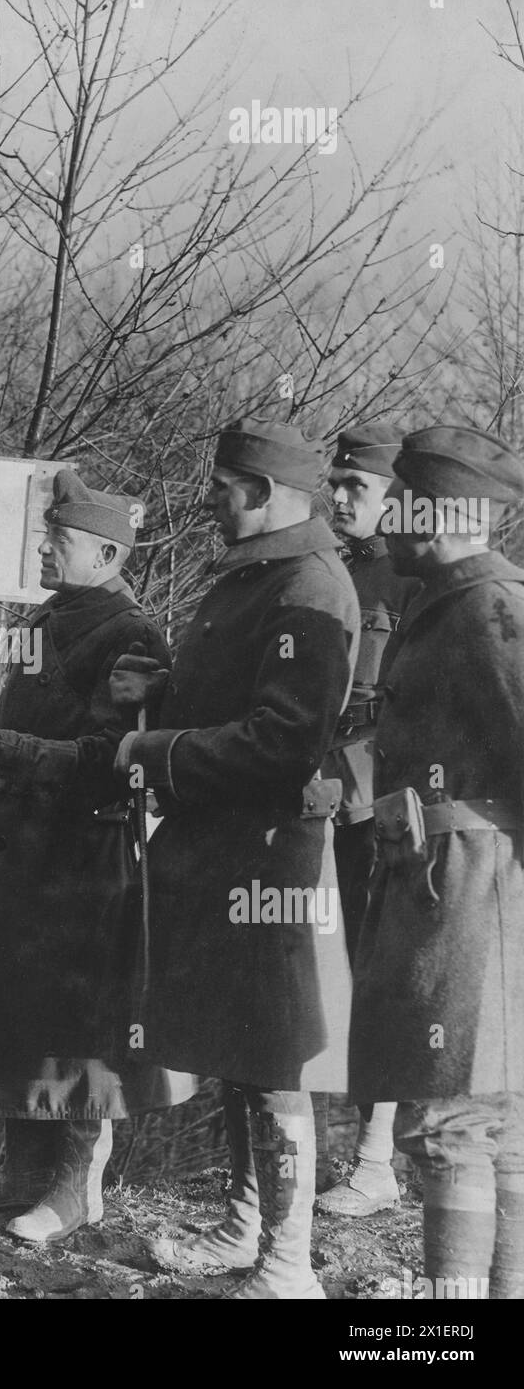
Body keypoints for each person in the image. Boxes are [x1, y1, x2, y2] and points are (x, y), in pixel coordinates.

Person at [116, 418, 358, 1298]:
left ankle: (290, 1267)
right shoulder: (260, 580)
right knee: (236, 1045)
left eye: (222, 487)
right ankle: (247, 1226)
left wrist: (156, 751)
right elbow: (234, 700)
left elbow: (284, 742)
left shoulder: (308, 588)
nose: (208, 498)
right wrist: (162, 694)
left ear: (260, 495)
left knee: (271, 1055)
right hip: (222, 846)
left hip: (267, 853)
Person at [0, 469, 193, 1245]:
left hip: (85, 857)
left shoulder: (132, 635)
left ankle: (75, 1189)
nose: (43, 549)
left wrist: (26, 755)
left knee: (80, 1027)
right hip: (20, 855)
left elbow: (123, 754)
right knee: (17, 1013)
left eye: (60, 540)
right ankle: (19, 1175)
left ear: (105, 552)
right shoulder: (46, 619)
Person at [350, 424, 524, 1300]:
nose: (391, 521)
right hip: (450, 880)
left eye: (406, 503)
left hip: (476, 889)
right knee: (490, 1118)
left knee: (457, 1115)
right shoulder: (450, 600)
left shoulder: (494, 611)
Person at [315, 424, 420, 1218]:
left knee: (380, 974)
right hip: (308, 800)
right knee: (317, 978)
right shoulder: (327, 572)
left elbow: (413, 713)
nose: (339, 497)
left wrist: (357, 787)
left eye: (357, 488)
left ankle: (378, 1161)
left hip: (378, 812)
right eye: (337, 484)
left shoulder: (416, 584)